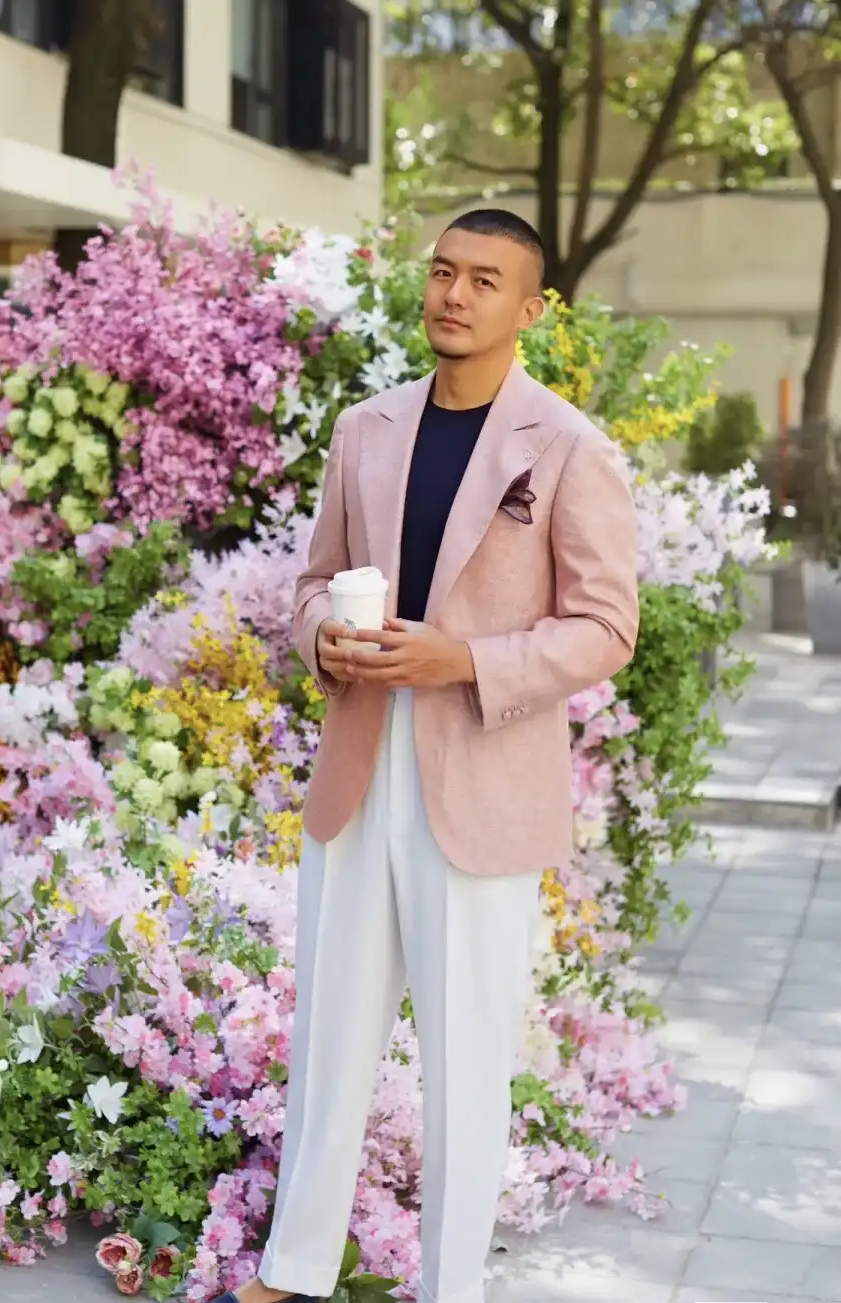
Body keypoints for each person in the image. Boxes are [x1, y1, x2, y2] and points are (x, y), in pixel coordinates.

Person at [210, 210, 639, 1303]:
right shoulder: (365, 429)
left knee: (463, 1060)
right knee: (331, 1035)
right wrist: (323, 637)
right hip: (358, 769)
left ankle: (452, 1288)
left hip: (482, 780)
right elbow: (313, 582)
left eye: (484, 279)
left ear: (529, 308)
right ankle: (293, 1266)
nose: (455, 293)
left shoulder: (571, 447)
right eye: (444, 271)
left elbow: (605, 627)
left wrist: (465, 660)